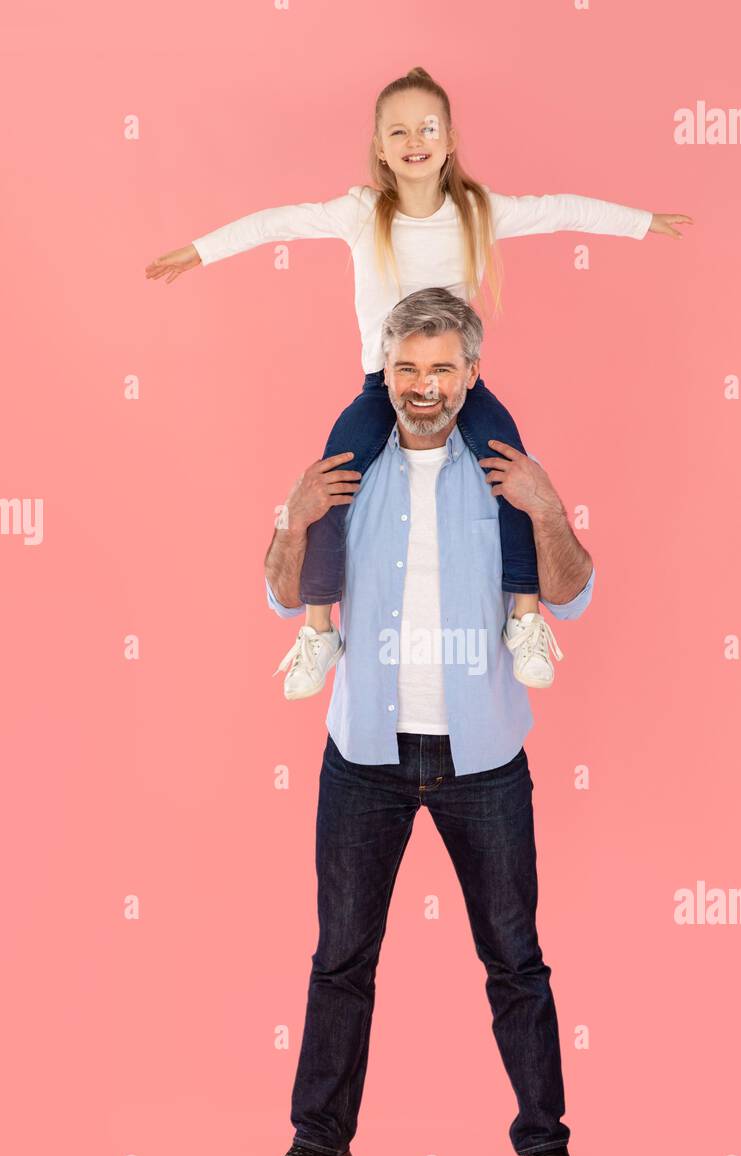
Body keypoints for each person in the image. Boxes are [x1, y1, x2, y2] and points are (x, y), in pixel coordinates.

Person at [145, 64, 692, 696]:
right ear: (379, 146)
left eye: (427, 127)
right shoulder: (360, 214)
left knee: (511, 467)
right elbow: (276, 222)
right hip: (385, 384)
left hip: (461, 388)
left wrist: (642, 222)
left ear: (449, 138)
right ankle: (319, 629)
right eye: (398, 130)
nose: (414, 139)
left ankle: (526, 618)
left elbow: (559, 210)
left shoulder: (476, 212)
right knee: (332, 473)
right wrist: (198, 250)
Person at [255, 287, 595, 1156]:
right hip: (363, 753)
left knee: (515, 960)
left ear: (470, 374)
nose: (423, 385)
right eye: (407, 368)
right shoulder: (347, 474)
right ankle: (320, 1148)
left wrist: (551, 506)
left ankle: (547, 1153)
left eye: (442, 367)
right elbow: (286, 598)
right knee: (340, 961)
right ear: (385, 373)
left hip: (482, 759)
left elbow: (570, 597)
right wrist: (290, 515)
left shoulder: (499, 475)